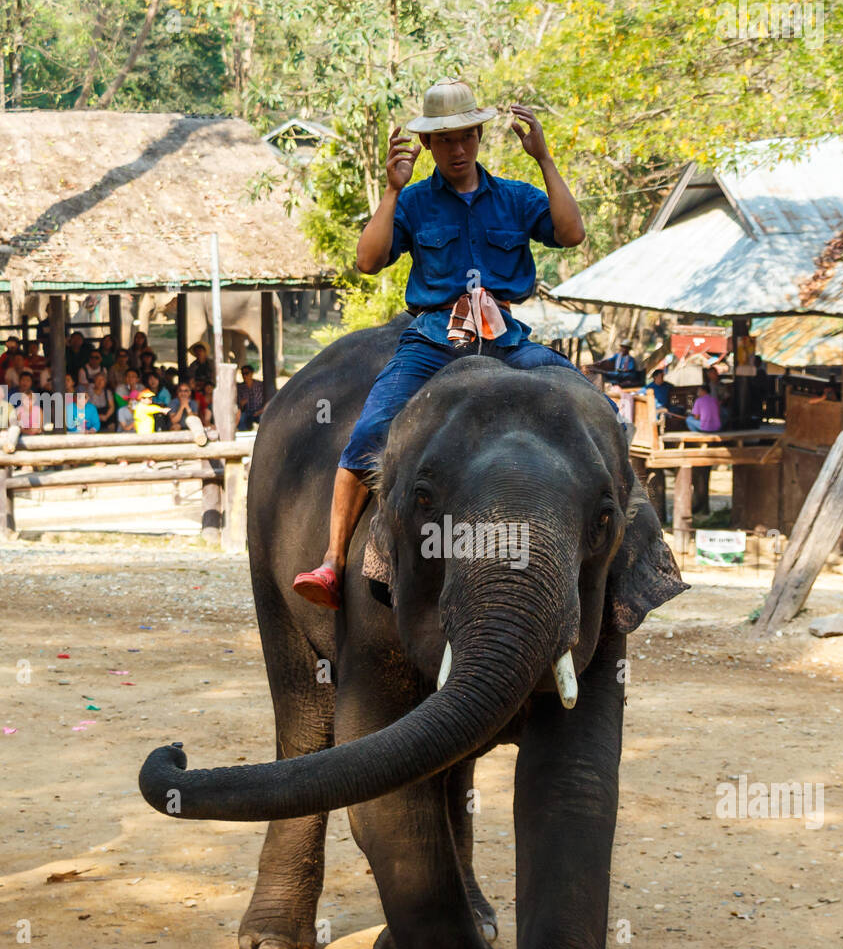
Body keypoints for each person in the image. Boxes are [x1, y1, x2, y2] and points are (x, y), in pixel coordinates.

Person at [293, 77, 588, 609]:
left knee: (598, 412)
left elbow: (571, 234)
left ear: (479, 136)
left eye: (467, 137)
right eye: (446, 140)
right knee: (369, 433)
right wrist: (391, 189)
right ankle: (333, 562)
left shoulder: (518, 198)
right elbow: (366, 261)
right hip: (433, 341)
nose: (458, 149)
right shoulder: (413, 204)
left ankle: (618, 557)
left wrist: (544, 160)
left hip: (506, 340)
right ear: (428, 145)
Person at [236, 364, 265, 430]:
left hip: (259, 411)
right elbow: (238, 405)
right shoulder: (240, 387)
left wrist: (261, 410)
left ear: (252, 373)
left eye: (247, 373)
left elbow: (268, 400)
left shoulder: (260, 385)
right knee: (241, 418)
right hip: (246, 412)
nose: (244, 375)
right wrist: (241, 404)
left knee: (264, 418)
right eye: (243, 373)